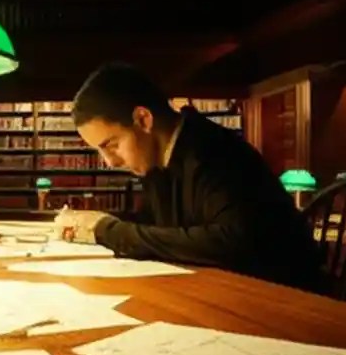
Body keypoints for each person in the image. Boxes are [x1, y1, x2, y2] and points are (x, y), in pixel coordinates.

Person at [54, 62, 325, 292]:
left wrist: (108, 231)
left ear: (143, 119)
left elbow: (232, 243)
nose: (110, 162)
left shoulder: (214, 151)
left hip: (287, 300)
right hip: (225, 291)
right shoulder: (157, 162)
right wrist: (94, 223)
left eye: (111, 144)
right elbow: (154, 226)